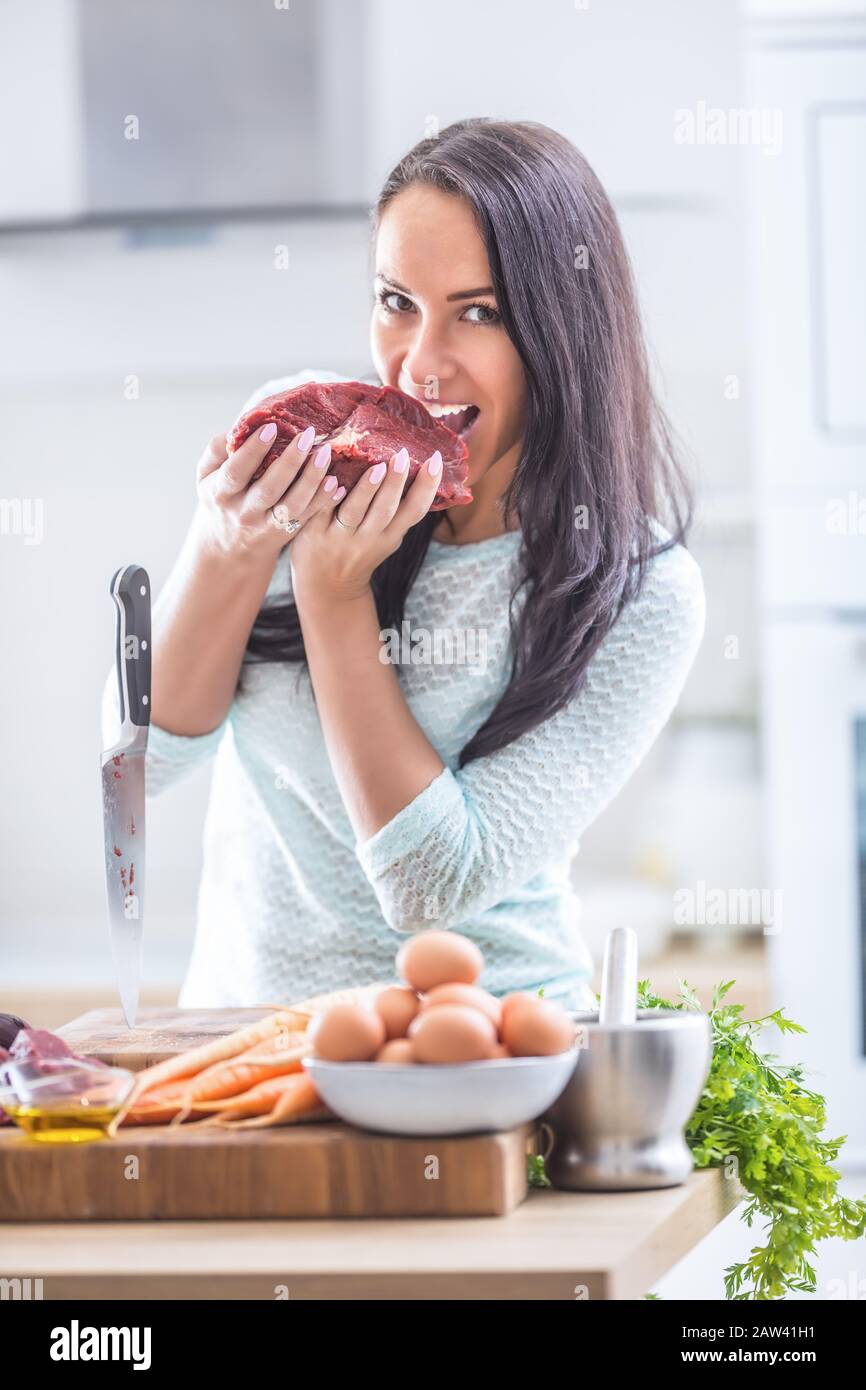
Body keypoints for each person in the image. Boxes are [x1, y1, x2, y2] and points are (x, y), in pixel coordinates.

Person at [102, 118, 704, 1010]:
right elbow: (135, 774)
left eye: (480, 312)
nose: (420, 365)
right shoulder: (298, 453)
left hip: (490, 1058)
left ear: (565, 329)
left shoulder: (641, 592)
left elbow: (431, 888)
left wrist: (336, 596)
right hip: (240, 1046)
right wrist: (231, 544)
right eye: (396, 301)